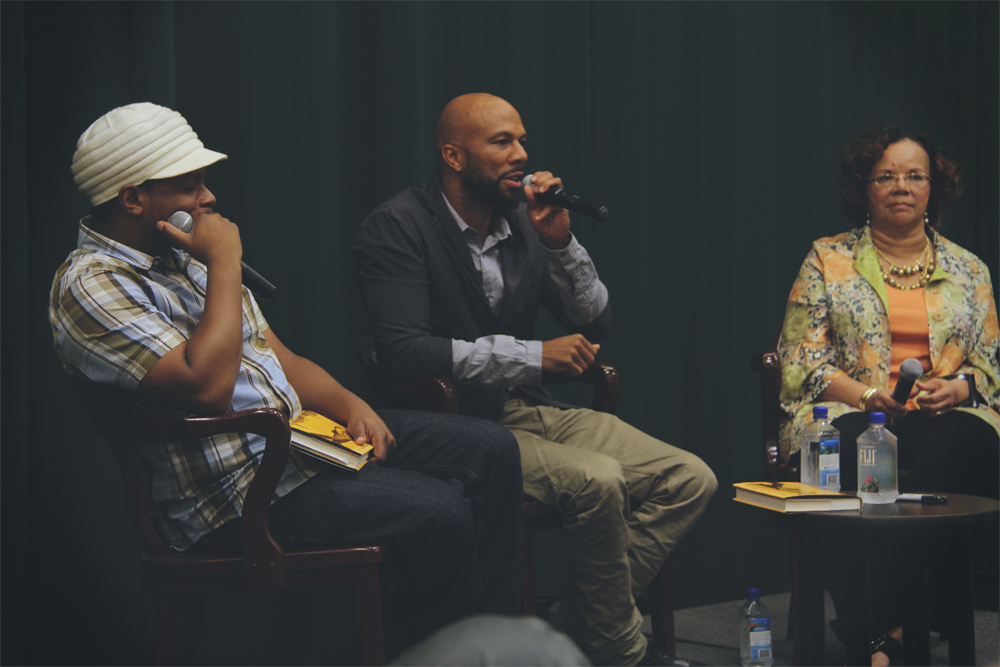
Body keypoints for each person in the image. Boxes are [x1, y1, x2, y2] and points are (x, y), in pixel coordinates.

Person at [49, 102, 525, 653]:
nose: (209, 200)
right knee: (438, 513)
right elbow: (207, 388)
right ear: (132, 198)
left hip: (295, 444)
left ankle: (499, 651)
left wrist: (351, 404)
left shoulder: (184, 258)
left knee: (490, 448)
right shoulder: (90, 285)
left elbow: (281, 359)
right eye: (190, 185)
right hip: (232, 498)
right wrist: (225, 263)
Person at [352, 93, 717, 667]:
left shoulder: (523, 222)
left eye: (522, 140)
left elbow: (593, 321)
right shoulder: (397, 226)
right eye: (502, 142)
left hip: (526, 408)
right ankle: (623, 654)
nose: (521, 154)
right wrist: (529, 356)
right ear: (453, 155)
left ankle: (569, 627)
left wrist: (560, 243)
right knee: (597, 481)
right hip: (459, 428)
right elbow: (403, 352)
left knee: (688, 478)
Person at [778, 125, 1000, 666]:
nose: (901, 185)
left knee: (956, 447)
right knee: (873, 455)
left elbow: (989, 368)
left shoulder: (970, 270)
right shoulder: (827, 259)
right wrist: (871, 395)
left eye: (914, 175)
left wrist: (959, 387)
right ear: (865, 187)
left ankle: (884, 634)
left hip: (941, 420)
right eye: (886, 176)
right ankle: (897, 629)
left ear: (933, 188)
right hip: (846, 413)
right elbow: (799, 360)